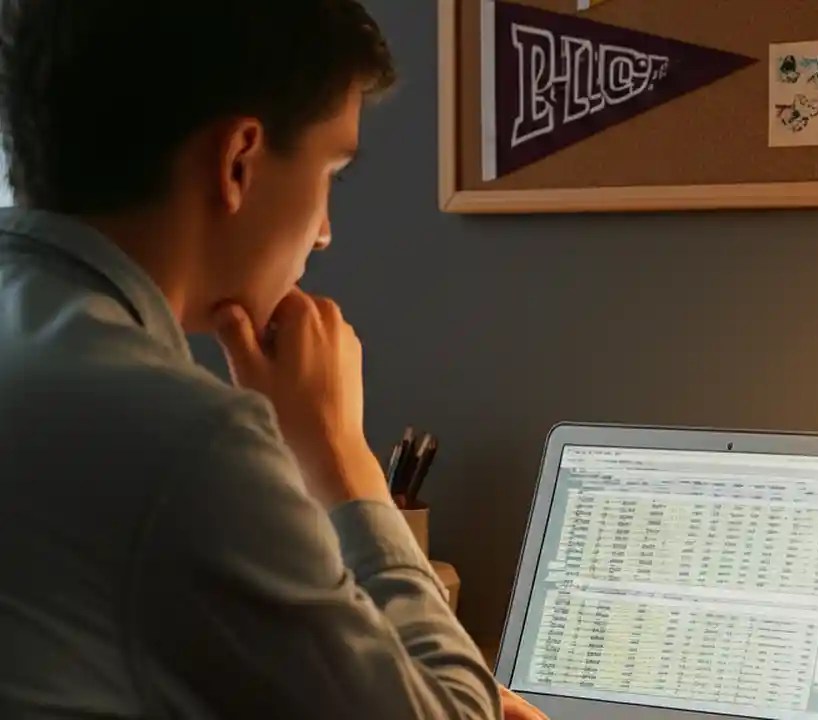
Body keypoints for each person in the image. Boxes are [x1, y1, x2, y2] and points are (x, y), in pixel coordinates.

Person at [0, 1, 540, 718]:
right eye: (331, 175)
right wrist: (340, 459)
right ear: (238, 161)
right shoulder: (181, 441)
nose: (322, 234)